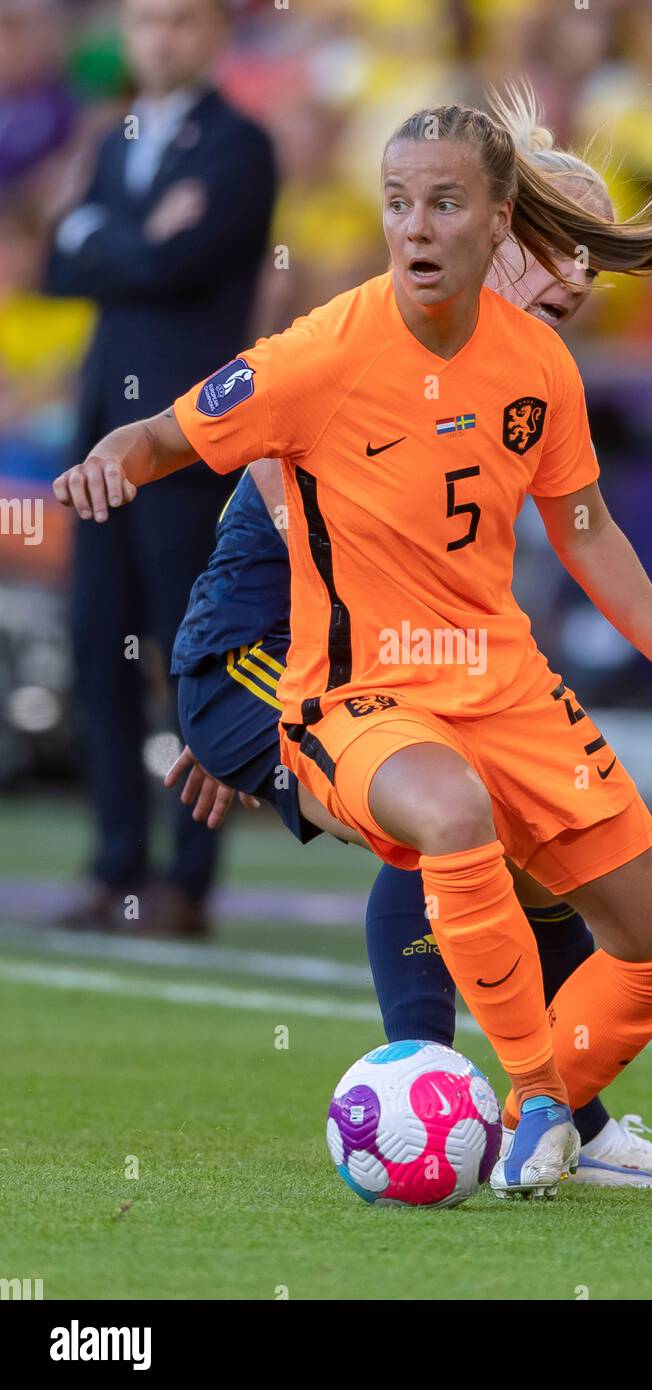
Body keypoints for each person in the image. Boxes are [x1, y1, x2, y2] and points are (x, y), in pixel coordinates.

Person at [53, 99, 652, 1200]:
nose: (578, 280)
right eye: (563, 249)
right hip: (274, 651)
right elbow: (267, 481)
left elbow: (572, 529)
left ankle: (564, 1114)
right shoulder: (343, 349)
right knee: (443, 819)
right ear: (507, 229)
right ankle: (470, 1094)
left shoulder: (522, 364)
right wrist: (265, 729)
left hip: (434, 669)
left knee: (531, 861)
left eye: (591, 259)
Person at [44, 0, 276, 936]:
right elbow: (59, 265)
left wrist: (104, 239)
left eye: (181, 21)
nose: (162, 39)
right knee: (100, 648)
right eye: (147, 23)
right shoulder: (114, 141)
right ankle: (115, 868)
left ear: (217, 32)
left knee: (192, 654)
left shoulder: (241, 145)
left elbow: (185, 263)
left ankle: (187, 880)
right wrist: (122, 243)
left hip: (185, 438)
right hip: (103, 431)